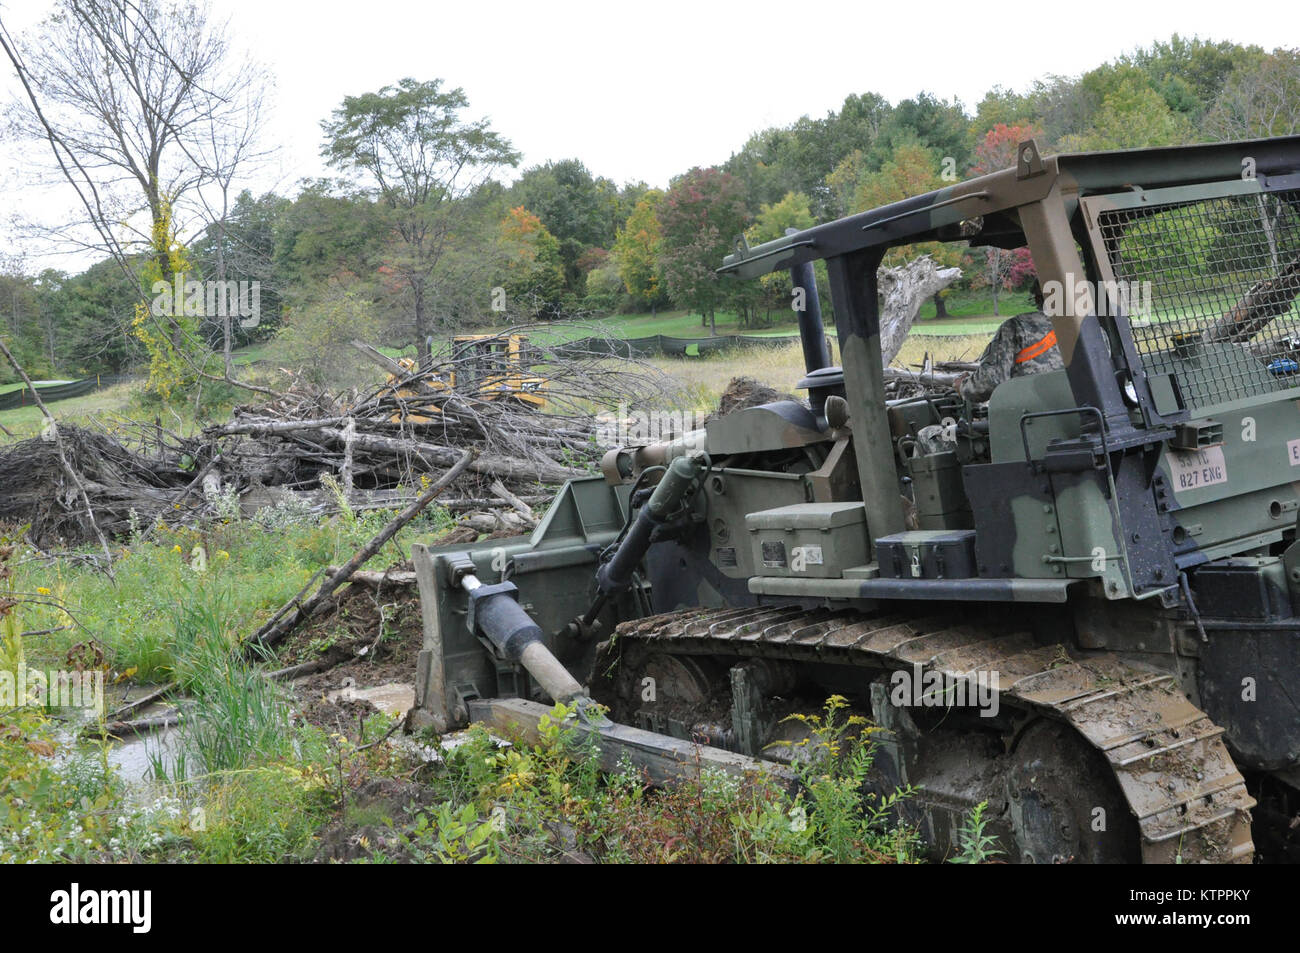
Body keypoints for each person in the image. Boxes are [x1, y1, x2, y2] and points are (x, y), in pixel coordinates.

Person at [952, 282, 1063, 402]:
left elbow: (990, 381)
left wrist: (963, 387)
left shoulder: (1017, 327)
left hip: (1032, 414)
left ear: (1037, 298)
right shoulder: (1082, 325)